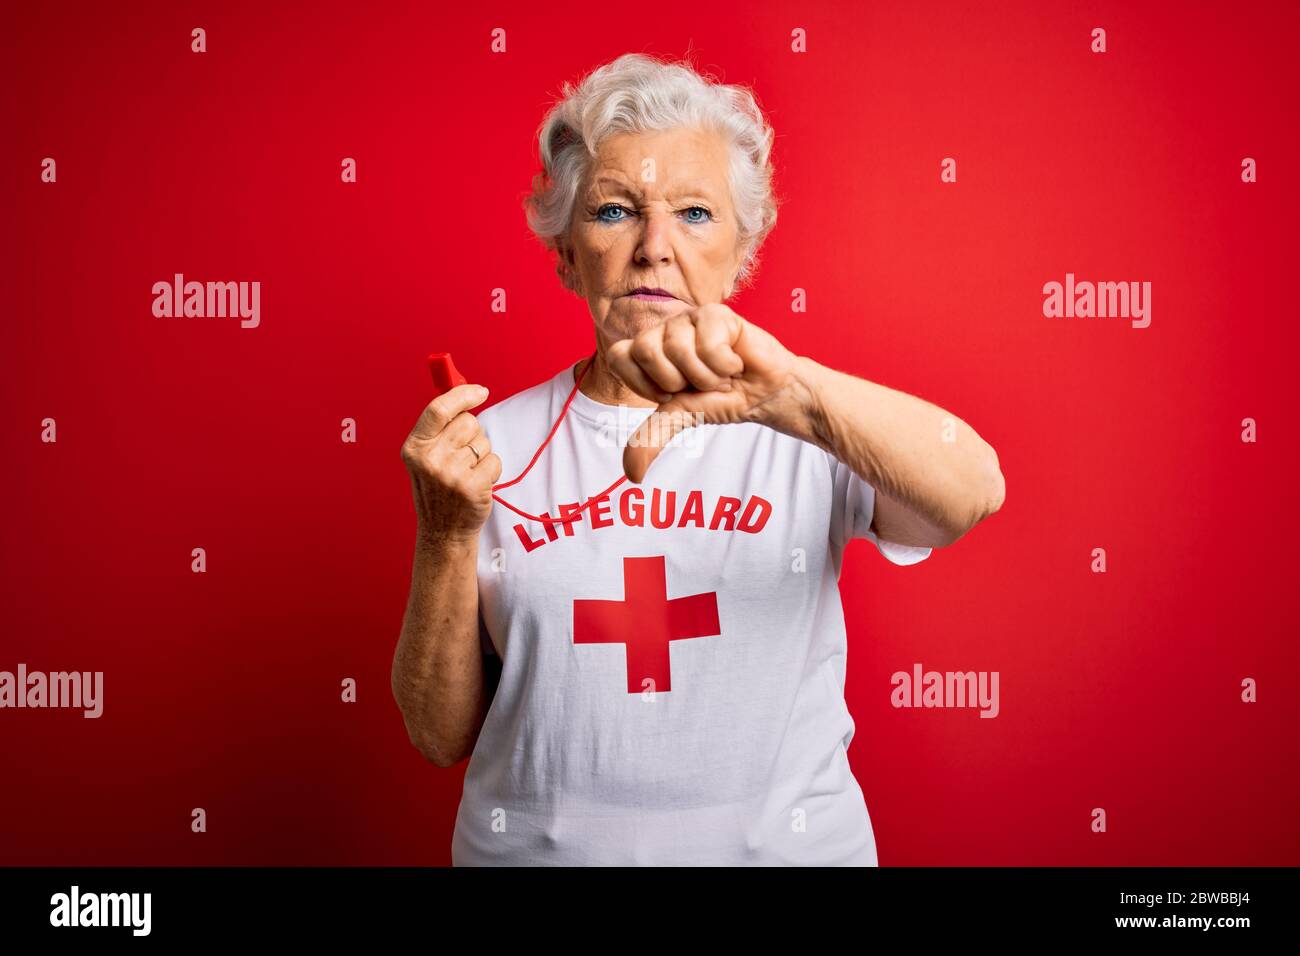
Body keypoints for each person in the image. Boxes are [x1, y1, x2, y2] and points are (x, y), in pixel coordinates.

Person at [392, 53, 1005, 865]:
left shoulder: (810, 417)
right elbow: (439, 737)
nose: (654, 247)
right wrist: (444, 536)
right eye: (613, 212)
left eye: (694, 213)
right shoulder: (485, 453)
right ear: (566, 253)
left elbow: (975, 493)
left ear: (742, 251)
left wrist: (797, 397)